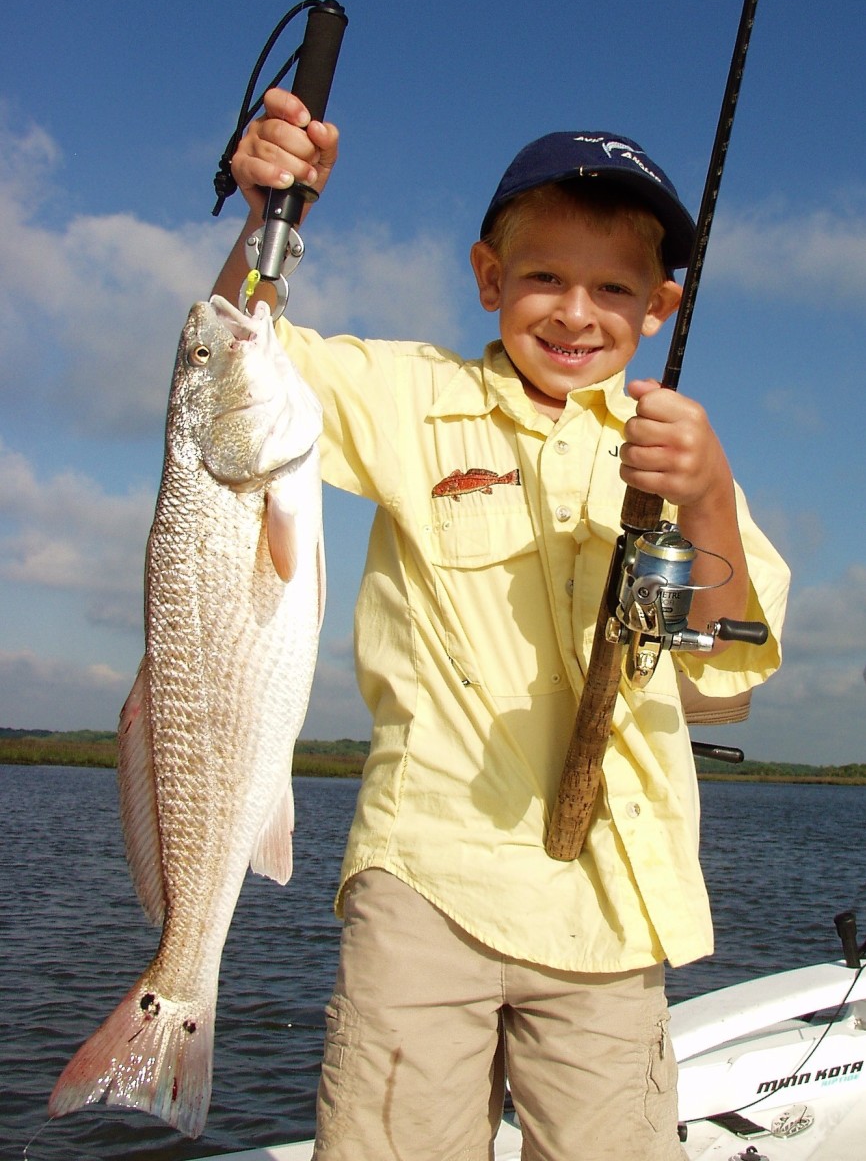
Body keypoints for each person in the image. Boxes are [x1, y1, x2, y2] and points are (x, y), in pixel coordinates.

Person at [213, 90, 790, 1161]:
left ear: (660, 307)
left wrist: (706, 496)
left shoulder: (683, 453)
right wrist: (265, 221)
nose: (576, 313)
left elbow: (725, 686)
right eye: (543, 279)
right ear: (489, 279)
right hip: (428, 883)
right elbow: (230, 364)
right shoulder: (405, 396)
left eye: (614, 288)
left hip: (612, 911)